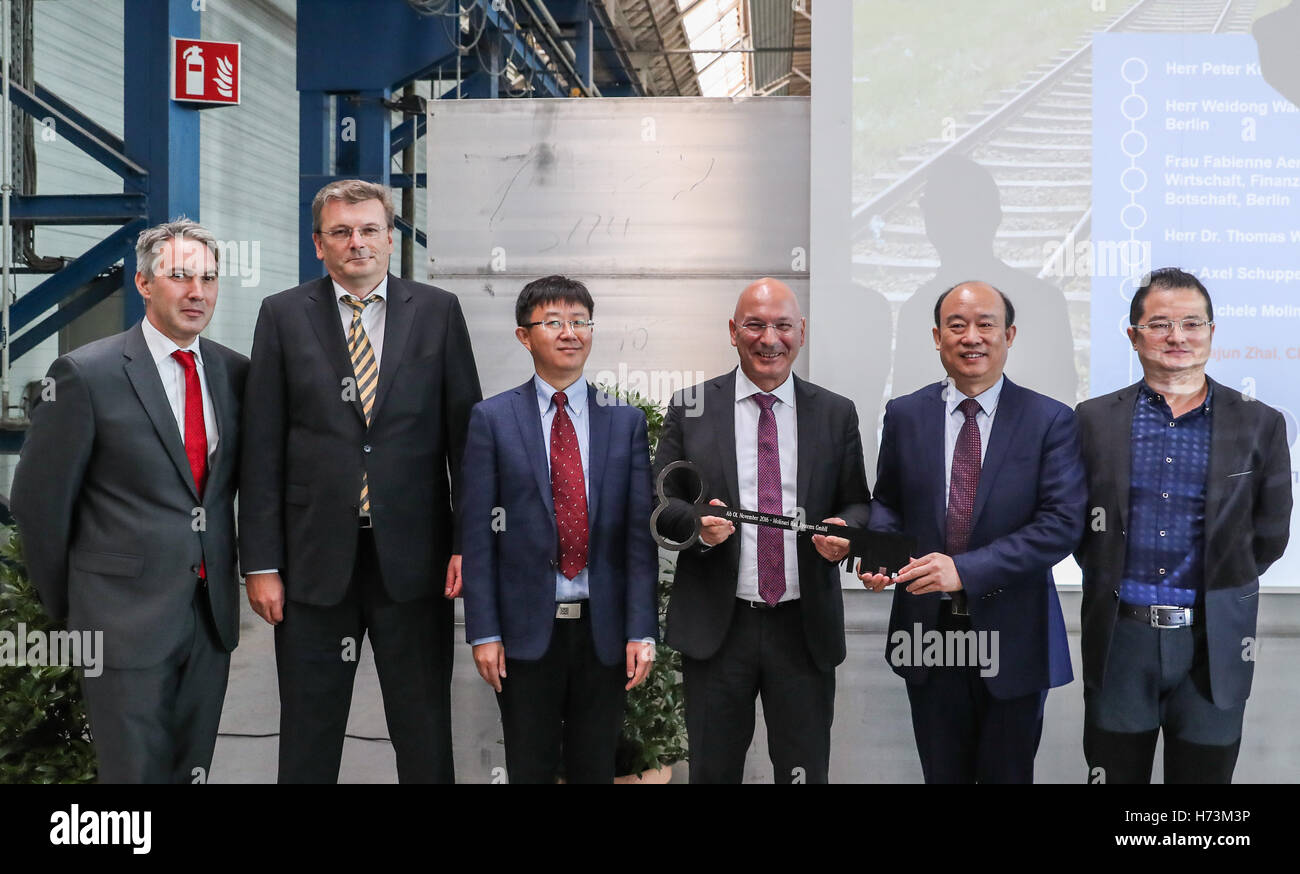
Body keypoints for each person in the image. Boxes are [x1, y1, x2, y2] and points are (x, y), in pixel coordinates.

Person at [239, 179, 481, 783]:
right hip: (312, 560)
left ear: (390, 237)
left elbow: (467, 444)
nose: (357, 243)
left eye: (370, 229)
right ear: (318, 244)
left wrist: (466, 544)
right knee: (308, 729)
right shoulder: (283, 314)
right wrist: (261, 562)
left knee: (423, 725)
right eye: (341, 232)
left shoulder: (437, 311)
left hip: (415, 560)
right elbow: (261, 448)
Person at [11, 219, 248, 783]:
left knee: (191, 767)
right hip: (118, 617)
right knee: (133, 778)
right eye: (180, 276)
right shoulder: (85, 374)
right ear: (144, 283)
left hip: (208, 617)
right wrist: (75, 604)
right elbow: (37, 504)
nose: (197, 292)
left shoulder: (234, 372)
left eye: (209, 278)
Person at [861, 280, 1084, 783]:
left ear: (1009, 335)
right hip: (928, 634)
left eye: (985, 324)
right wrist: (880, 555)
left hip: (1014, 634)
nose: (971, 336)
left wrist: (962, 570)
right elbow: (889, 504)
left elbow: (1060, 526)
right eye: (957, 325)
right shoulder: (905, 414)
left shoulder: (1050, 420)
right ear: (937, 337)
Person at [1074, 267, 1292, 784]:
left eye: (1193, 323)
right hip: (1121, 637)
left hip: (1213, 642)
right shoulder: (1091, 419)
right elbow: (1080, 529)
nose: (1178, 337)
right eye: (1160, 324)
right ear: (1133, 336)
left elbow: (1269, 535)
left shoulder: (1261, 422)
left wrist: (1216, 587)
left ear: (1212, 333)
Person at [651, 277, 871, 784]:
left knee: (804, 771)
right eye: (754, 324)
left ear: (802, 332)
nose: (769, 338)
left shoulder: (835, 412)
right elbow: (661, 505)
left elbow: (858, 502)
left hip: (803, 626)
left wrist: (846, 531)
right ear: (733, 331)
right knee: (713, 772)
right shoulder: (693, 406)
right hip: (717, 628)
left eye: (782, 325)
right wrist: (699, 526)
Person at [460, 275, 658, 783]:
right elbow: (478, 537)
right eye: (553, 322)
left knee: (595, 766)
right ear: (524, 336)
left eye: (579, 322)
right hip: (525, 631)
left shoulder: (625, 421)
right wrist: (484, 631)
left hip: (603, 629)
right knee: (530, 767)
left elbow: (639, 538)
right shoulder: (492, 419)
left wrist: (641, 629)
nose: (570, 333)